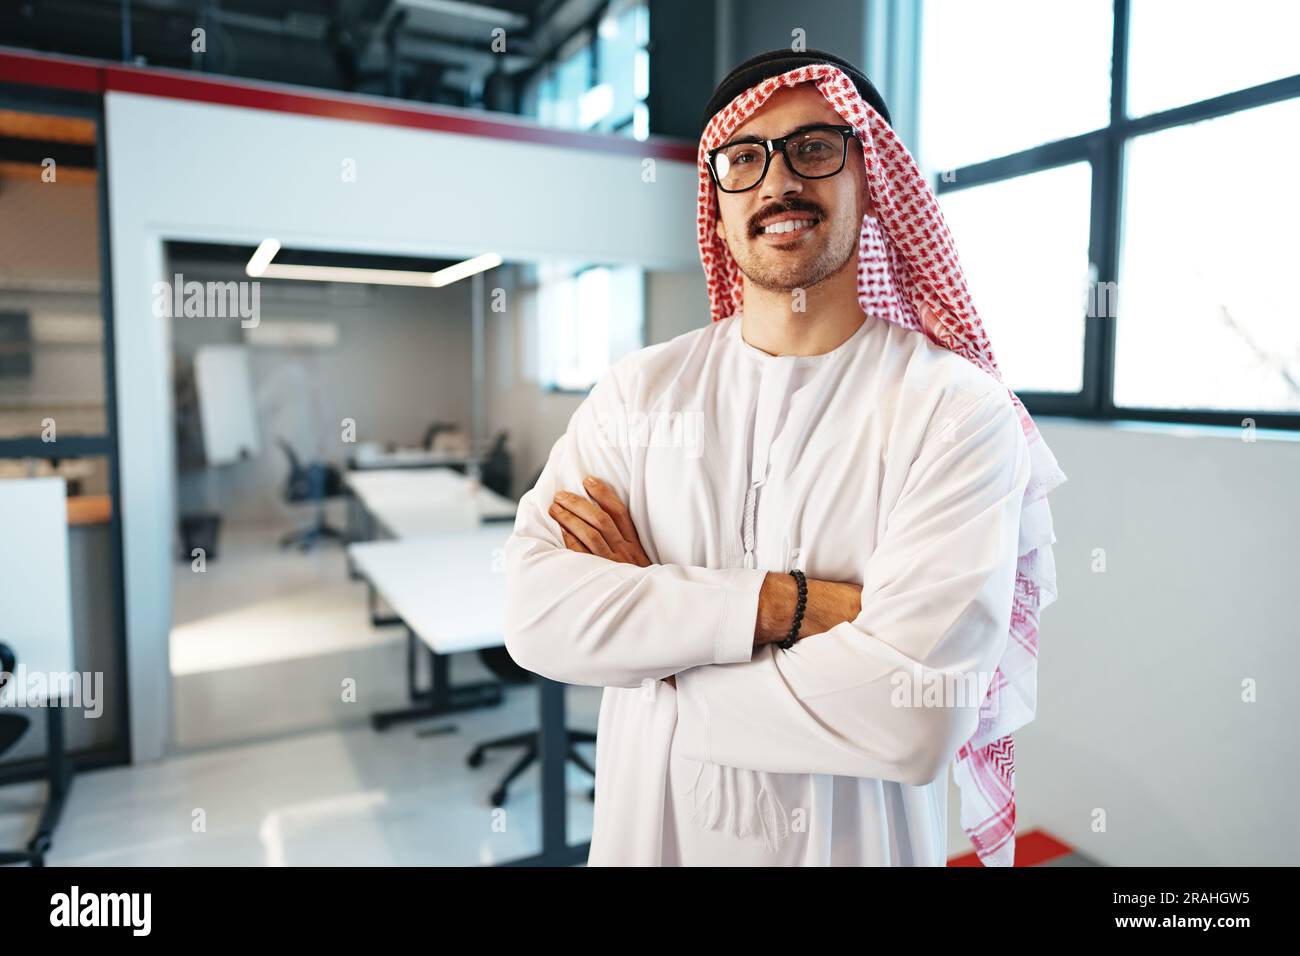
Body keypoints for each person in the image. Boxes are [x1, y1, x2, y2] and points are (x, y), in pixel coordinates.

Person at [503, 48, 1067, 866]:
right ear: (719, 198)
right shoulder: (637, 395)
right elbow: (534, 613)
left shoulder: (955, 410)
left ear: (871, 177)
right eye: (744, 157)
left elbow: (913, 717)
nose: (777, 184)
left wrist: (658, 653)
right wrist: (792, 607)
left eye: (813, 148)